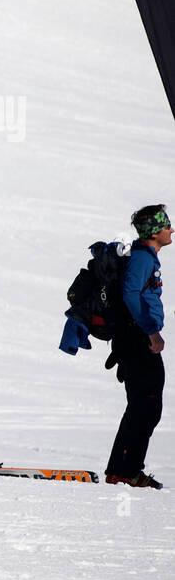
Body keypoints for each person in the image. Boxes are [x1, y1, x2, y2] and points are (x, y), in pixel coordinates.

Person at [105, 204, 169, 489]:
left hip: (136, 338)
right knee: (145, 404)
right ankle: (124, 471)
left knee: (146, 404)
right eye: (166, 225)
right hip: (137, 339)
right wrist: (151, 331)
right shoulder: (143, 258)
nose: (171, 229)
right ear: (154, 232)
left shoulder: (146, 257)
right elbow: (130, 293)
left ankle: (125, 469)